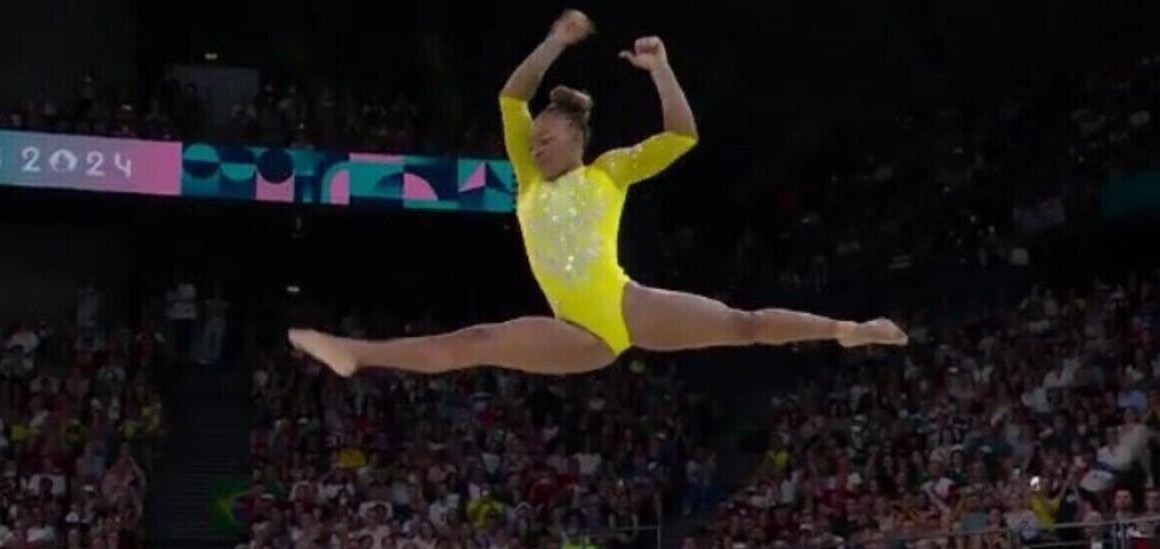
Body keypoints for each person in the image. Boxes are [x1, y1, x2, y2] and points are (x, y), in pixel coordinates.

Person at [289, 9, 906, 378]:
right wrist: (556, 40)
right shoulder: (529, 181)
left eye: (546, 137)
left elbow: (682, 135)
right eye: (532, 139)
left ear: (576, 136)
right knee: (476, 343)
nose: (534, 145)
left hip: (625, 304)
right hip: (576, 332)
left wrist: (660, 68)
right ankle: (354, 352)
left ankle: (846, 330)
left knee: (742, 325)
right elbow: (510, 98)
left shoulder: (607, 171)